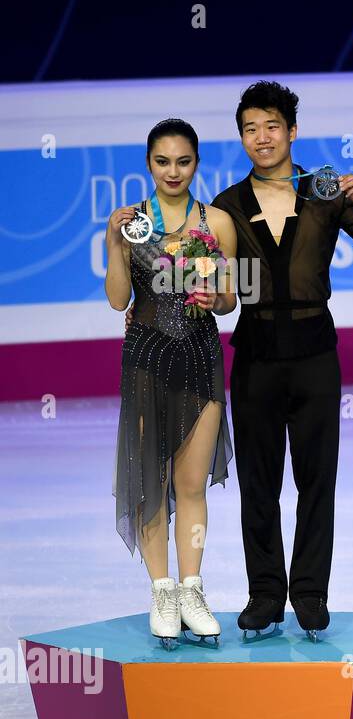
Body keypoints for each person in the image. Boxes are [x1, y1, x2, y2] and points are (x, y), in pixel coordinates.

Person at [212, 81, 353, 640]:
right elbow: (215, 283)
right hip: (255, 355)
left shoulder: (325, 191)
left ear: (292, 131)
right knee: (259, 482)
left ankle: (311, 595)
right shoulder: (226, 206)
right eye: (251, 129)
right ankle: (265, 594)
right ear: (242, 137)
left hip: (317, 355)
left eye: (272, 126)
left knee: (318, 481)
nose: (262, 138)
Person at [105, 119, 237, 649]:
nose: (173, 171)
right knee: (149, 478)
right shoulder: (131, 223)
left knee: (191, 483)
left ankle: (191, 588)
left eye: (183, 162)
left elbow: (232, 295)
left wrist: (217, 299)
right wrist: (114, 243)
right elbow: (118, 301)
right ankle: (161, 591)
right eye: (163, 162)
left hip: (200, 356)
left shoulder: (219, 222)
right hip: (145, 358)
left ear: (196, 164)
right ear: (149, 164)